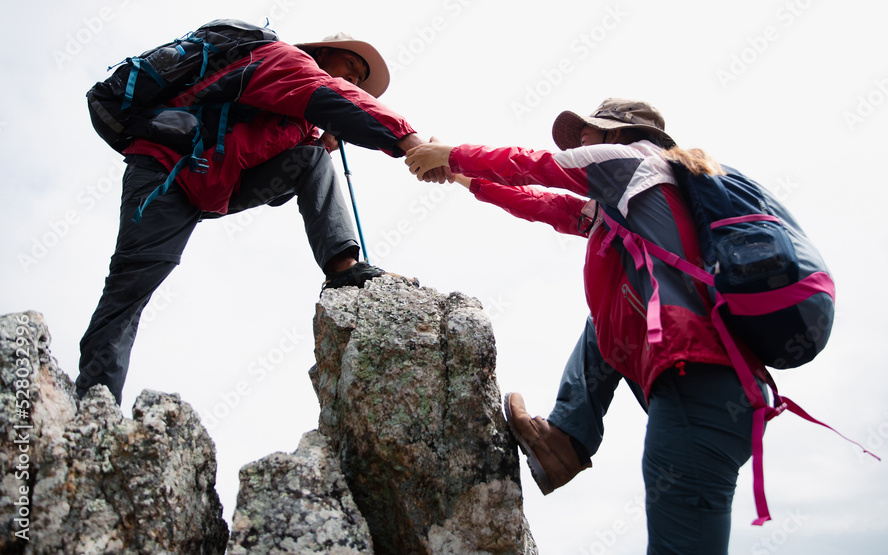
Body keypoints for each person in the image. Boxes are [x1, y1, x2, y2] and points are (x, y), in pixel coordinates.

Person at [405, 99, 760, 554]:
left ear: (618, 134)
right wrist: (464, 176)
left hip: (702, 385)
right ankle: (565, 442)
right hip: (700, 384)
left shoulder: (635, 161)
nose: (581, 140)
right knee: (603, 320)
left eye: (590, 130)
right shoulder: (628, 203)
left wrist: (452, 154)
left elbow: (538, 166)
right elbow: (546, 205)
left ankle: (567, 439)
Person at [76, 30, 443, 405]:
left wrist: (321, 144)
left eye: (360, 77)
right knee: (131, 286)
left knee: (313, 159)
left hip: (216, 184)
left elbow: (282, 189)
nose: (354, 79)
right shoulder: (284, 59)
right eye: (350, 65)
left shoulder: (301, 119)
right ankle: (94, 402)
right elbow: (332, 97)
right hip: (166, 171)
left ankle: (342, 268)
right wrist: (408, 140)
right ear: (321, 53)